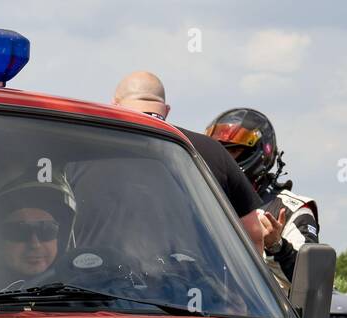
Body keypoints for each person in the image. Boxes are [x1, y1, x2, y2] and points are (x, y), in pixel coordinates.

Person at [109, 72, 285, 259]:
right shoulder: (211, 150)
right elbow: (253, 235)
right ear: (166, 110)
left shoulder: (87, 147)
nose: (230, 153)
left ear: (113, 104)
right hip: (192, 283)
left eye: (235, 149)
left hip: (98, 280)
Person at [205, 107, 319, 282]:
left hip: (266, 309)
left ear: (261, 152)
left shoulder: (291, 209)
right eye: (217, 150)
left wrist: (277, 246)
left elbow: (311, 280)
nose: (223, 157)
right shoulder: (200, 199)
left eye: (233, 150)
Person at [0, 172, 77, 286]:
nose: (35, 244)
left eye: (47, 230)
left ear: (61, 237)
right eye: (20, 231)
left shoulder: (84, 289)